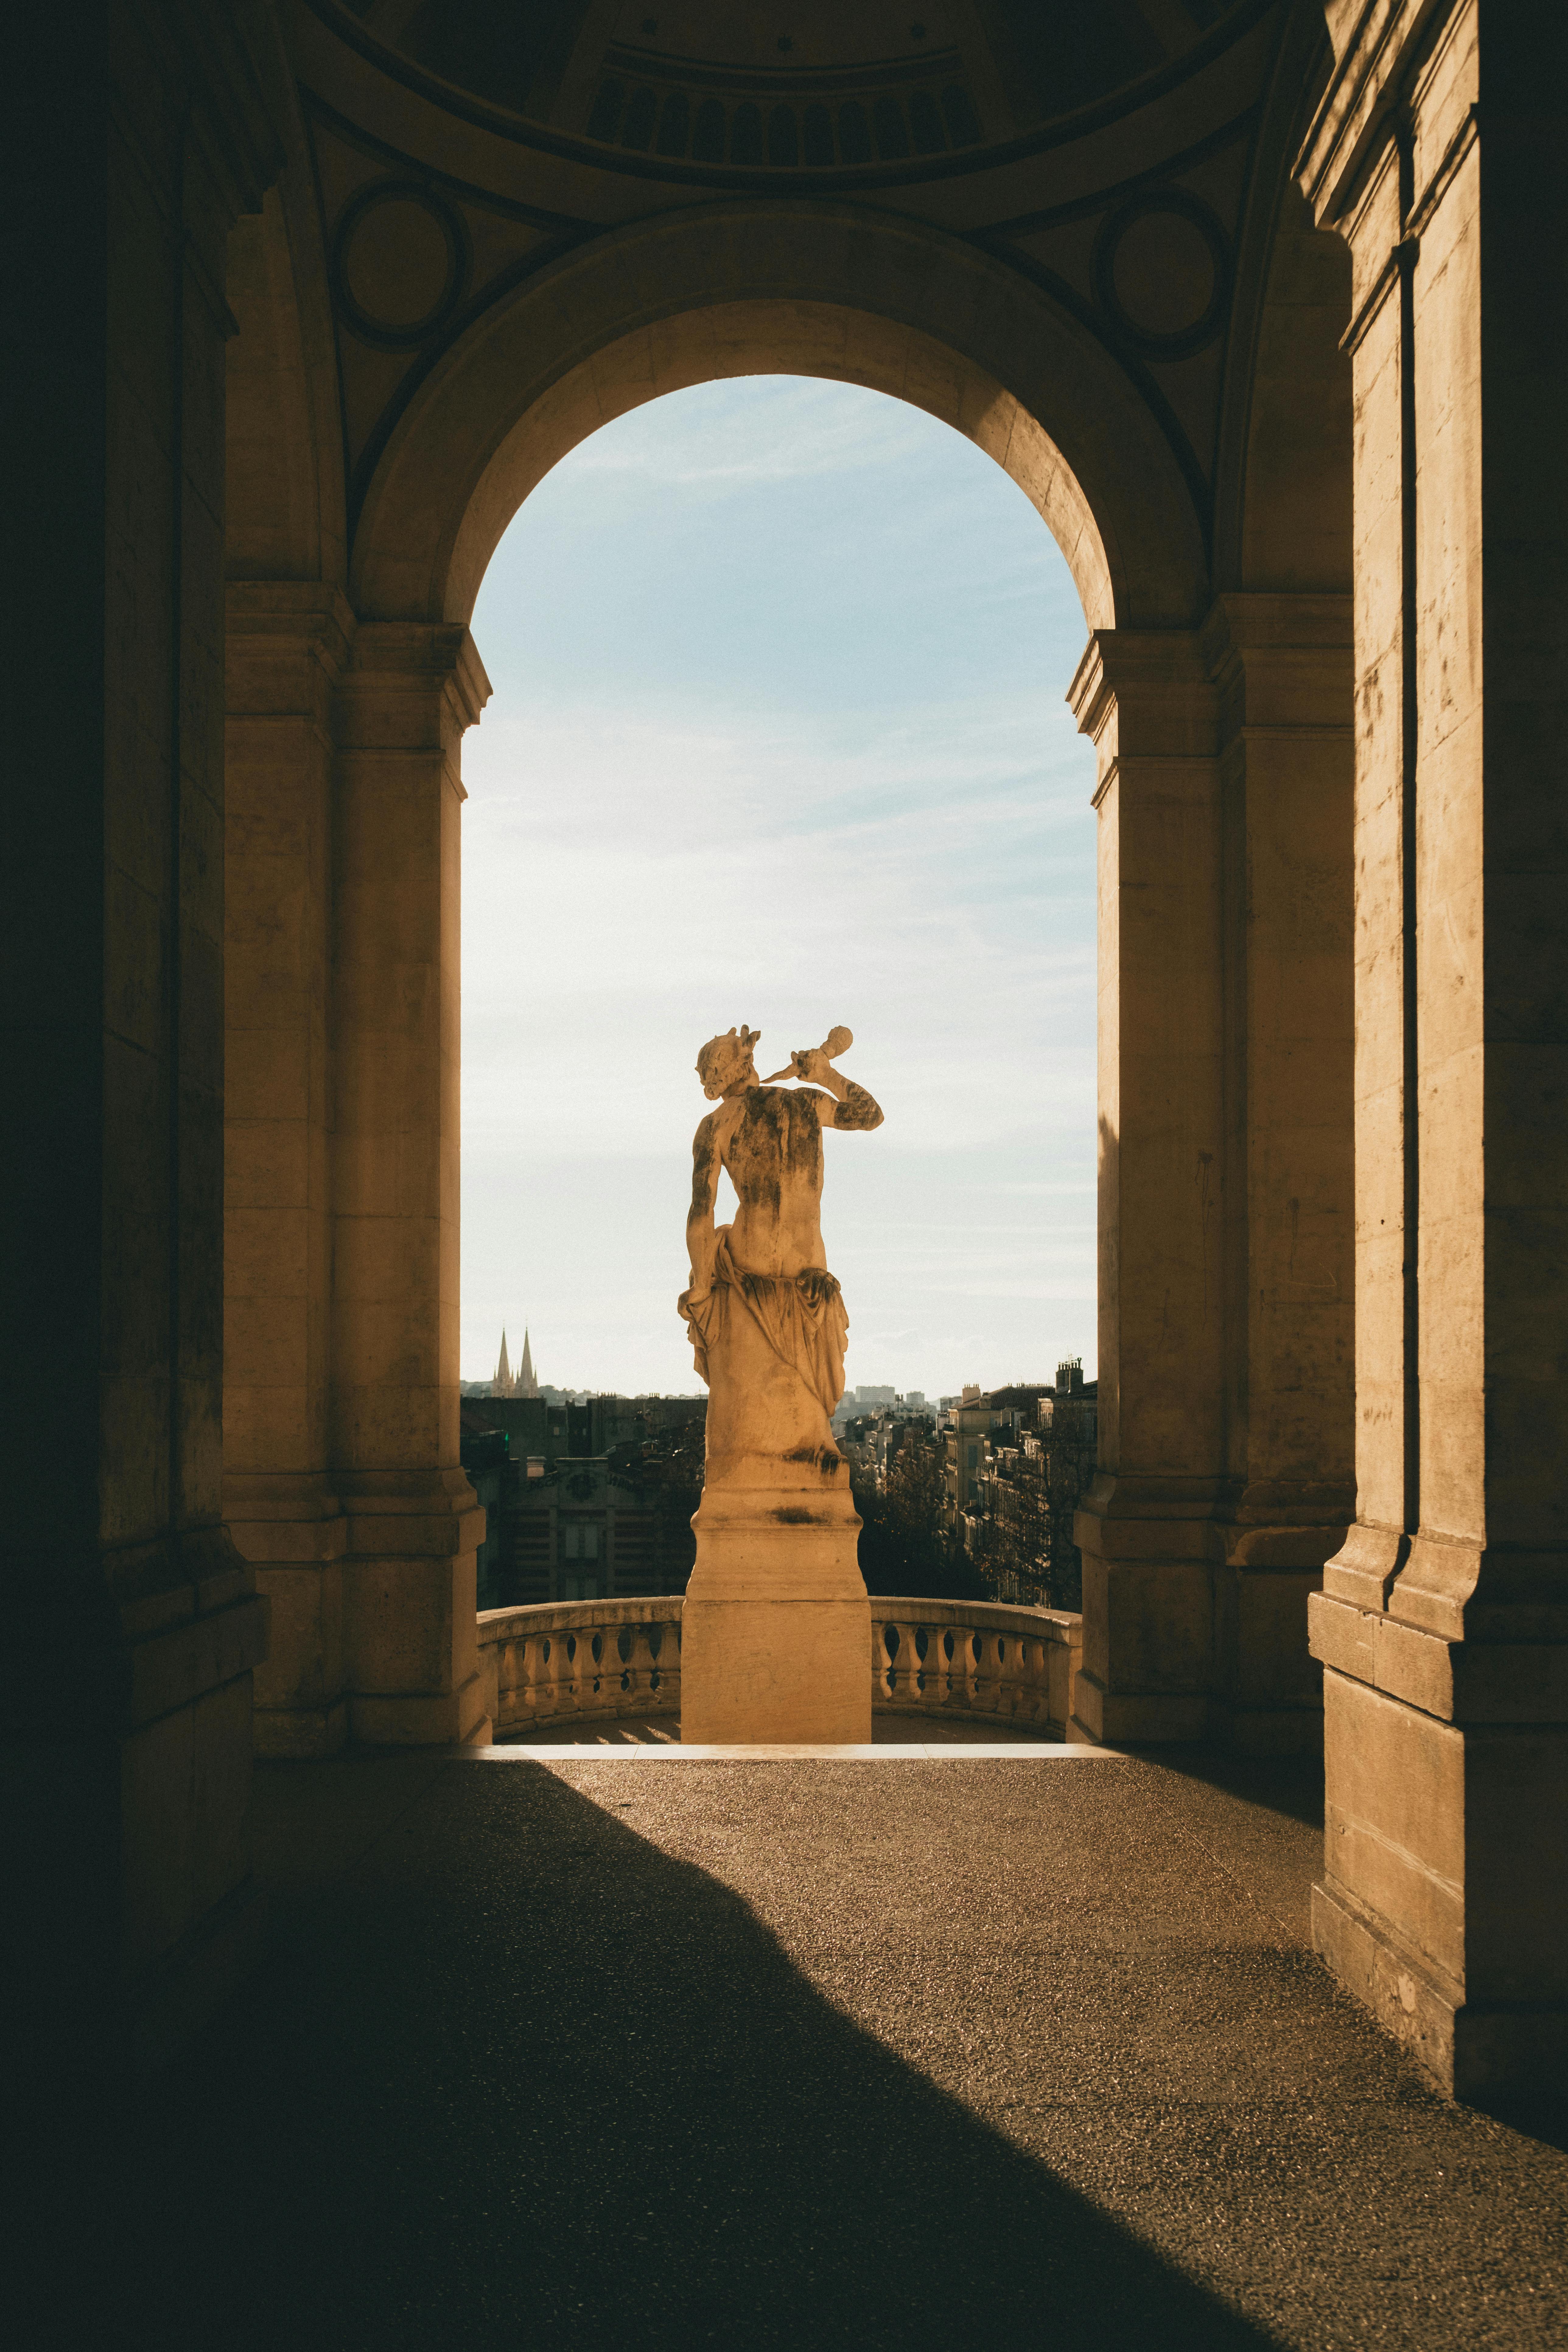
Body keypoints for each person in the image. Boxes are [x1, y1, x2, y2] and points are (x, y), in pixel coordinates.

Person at [679, 1026, 883, 1493]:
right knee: (802, 1411)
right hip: (807, 1267)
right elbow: (870, 1115)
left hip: (748, 1263)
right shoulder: (805, 1104)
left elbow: (701, 1215)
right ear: (749, 1060)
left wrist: (702, 1284)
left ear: (715, 1083)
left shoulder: (716, 1125)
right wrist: (826, 1073)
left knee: (742, 1404)